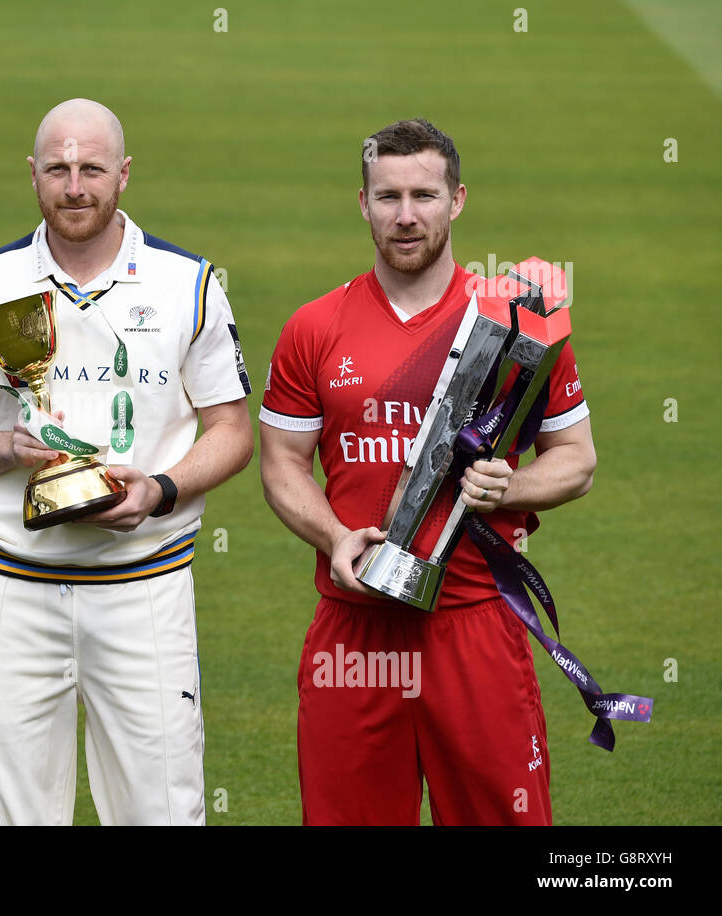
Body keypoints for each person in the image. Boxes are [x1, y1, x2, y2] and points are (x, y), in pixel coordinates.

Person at [0, 98, 253, 826]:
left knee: (161, 812)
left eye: (92, 168)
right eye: (59, 168)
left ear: (124, 174)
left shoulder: (188, 284)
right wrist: (7, 447)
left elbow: (232, 428)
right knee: (11, 814)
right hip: (15, 589)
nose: (76, 186)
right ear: (33, 175)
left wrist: (162, 489)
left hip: (145, 588)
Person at [259, 118, 596, 825]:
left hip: (473, 623)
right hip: (355, 628)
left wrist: (514, 485)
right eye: (388, 197)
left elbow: (577, 462)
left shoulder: (516, 327)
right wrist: (333, 537)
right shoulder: (314, 327)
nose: (405, 216)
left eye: (423, 194)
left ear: (457, 200)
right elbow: (281, 465)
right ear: (363, 203)